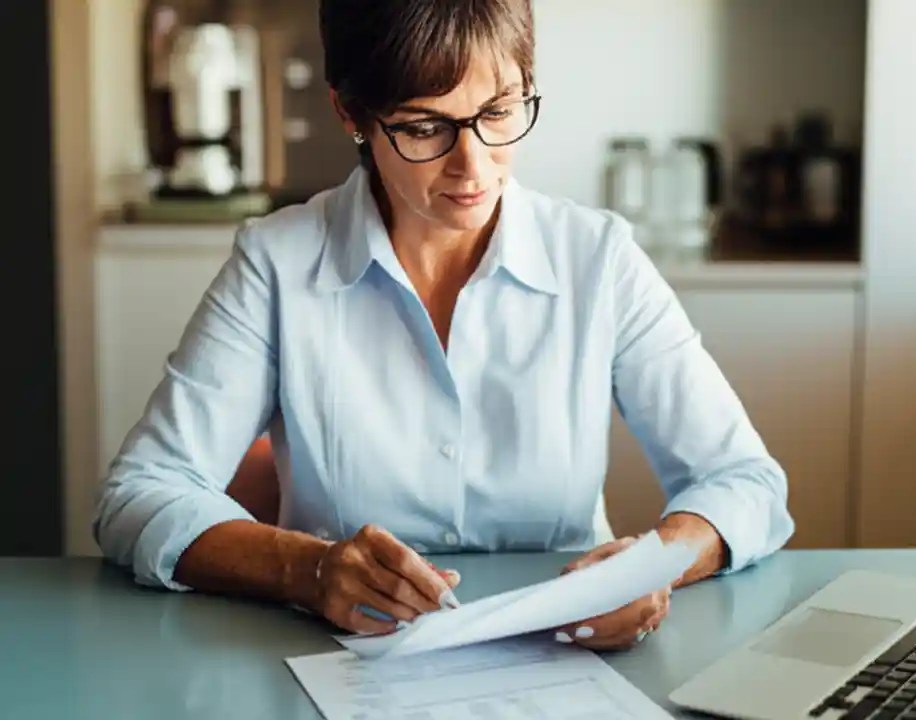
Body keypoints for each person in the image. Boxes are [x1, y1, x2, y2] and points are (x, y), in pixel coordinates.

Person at [95, 0, 793, 650]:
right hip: (342, 663)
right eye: (426, 127)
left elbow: (743, 480)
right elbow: (139, 494)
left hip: (566, 664)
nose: (473, 165)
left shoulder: (597, 259)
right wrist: (305, 570)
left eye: (499, 112)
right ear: (351, 113)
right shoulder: (278, 264)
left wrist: (653, 565)